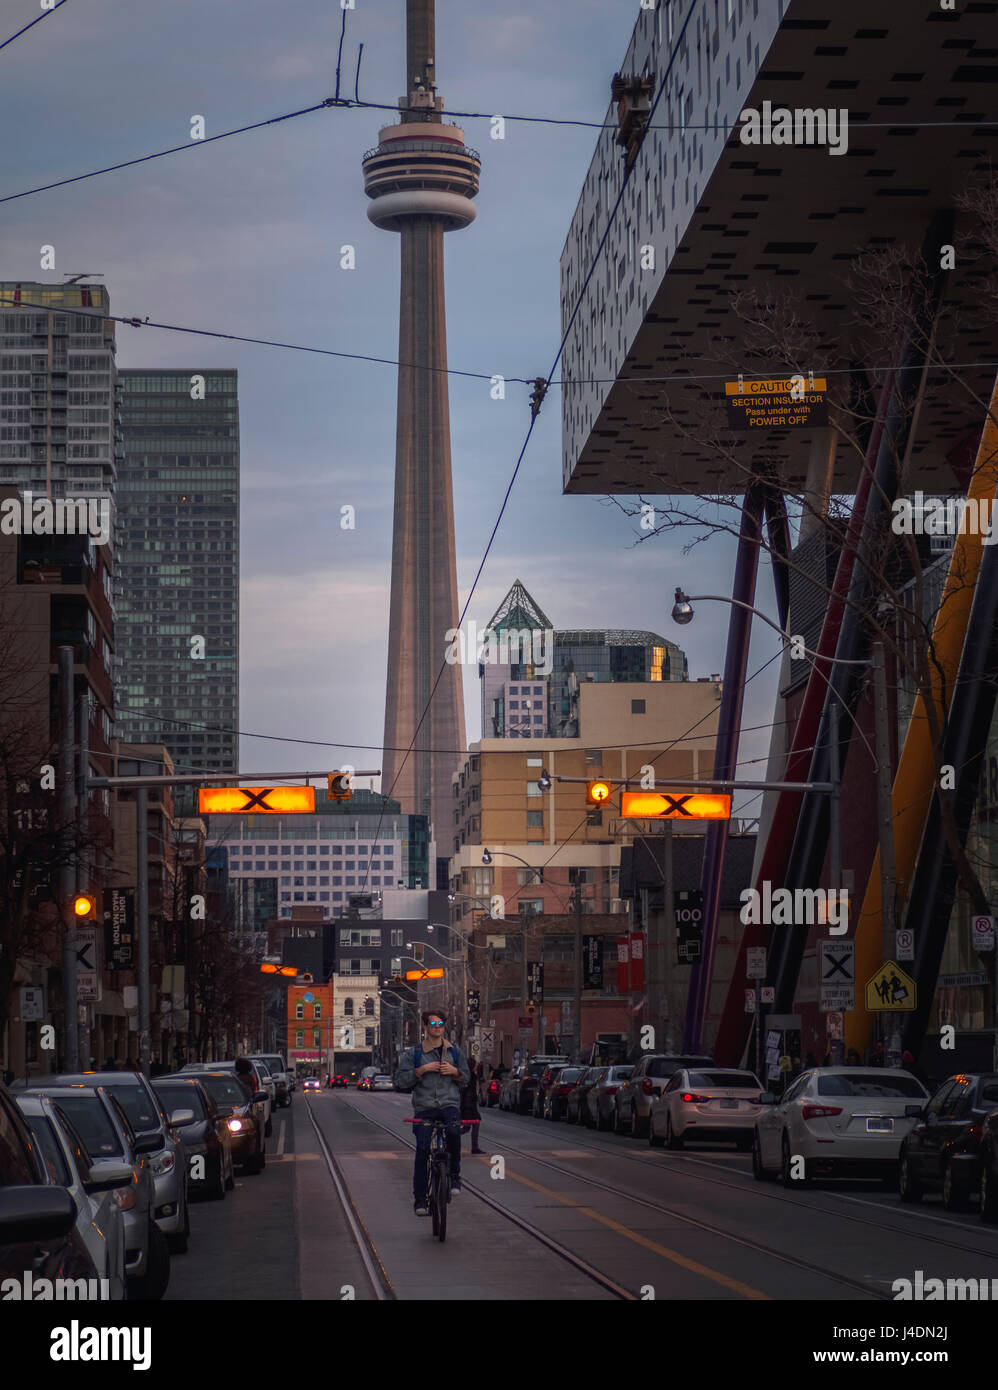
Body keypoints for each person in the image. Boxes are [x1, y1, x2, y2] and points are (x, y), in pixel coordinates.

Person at [395, 1011, 470, 1217]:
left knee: (454, 1132)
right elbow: (400, 1081)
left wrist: (455, 1072)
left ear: (444, 1027)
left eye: (440, 1023)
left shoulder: (455, 1051)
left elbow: (467, 1079)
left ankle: (454, 1176)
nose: (437, 1026)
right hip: (425, 1106)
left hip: (449, 1103)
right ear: (426, 1027)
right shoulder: (415, 1054)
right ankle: (420, 1199)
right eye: (432, 1023)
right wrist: (420, 1071)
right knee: (422, 1148)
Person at [462, 1059, 485, 1156]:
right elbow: (469, 1092)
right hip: (469, 1106)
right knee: (474, 1124)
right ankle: (474, 1147)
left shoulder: (470, 1075)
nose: (476, 1066)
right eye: (475, 1065)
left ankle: (451, 1135)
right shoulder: (470, 1076)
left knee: (467, 1127)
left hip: (468, 1105)